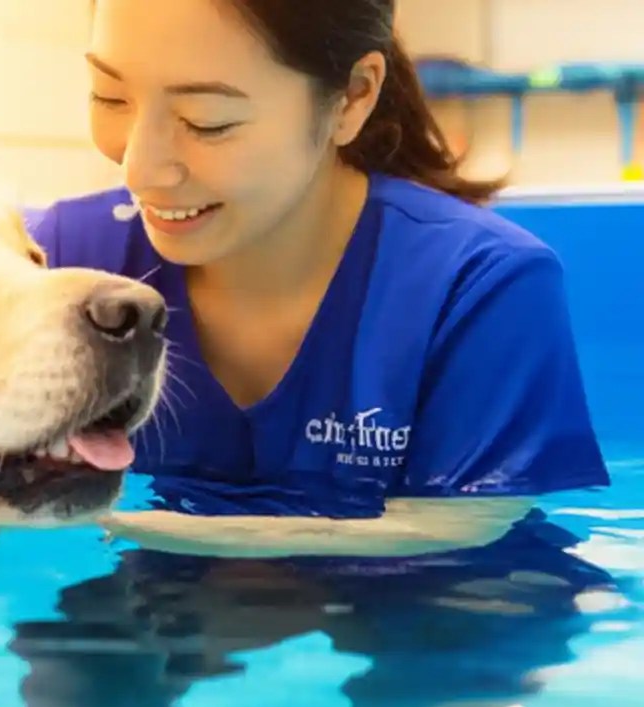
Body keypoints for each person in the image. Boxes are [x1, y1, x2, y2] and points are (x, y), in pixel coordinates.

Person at [31, 0, 610, 558]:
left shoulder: (476, 286)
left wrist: (129, 526)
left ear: (353, 97)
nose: (139, 167)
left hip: (416, 609)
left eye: (206, 121)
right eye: (110, 96)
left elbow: (464, 535)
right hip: (140, 613)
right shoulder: (57, 262)